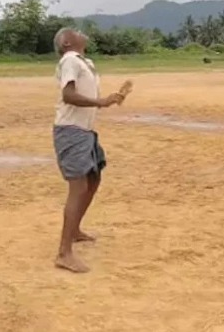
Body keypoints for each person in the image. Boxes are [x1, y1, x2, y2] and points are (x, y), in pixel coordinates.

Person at [51, 27, 124, 273]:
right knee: (79, 186)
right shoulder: (70, 60)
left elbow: (85, 96)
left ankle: (74, 231)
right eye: (77, 31)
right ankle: (64, 253)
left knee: (93, 178)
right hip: (72, 131)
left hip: (84, 131)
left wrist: (108, 99)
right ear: (68, 42)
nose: (83, 32)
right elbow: (69, 95)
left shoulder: (84, 62)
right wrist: (99, 102)